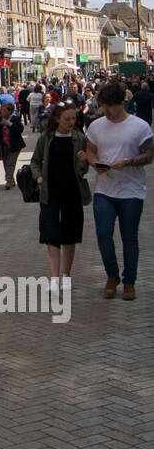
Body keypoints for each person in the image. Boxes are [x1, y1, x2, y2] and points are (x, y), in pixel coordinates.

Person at [83, 81, 154, 300]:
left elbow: (149, 156)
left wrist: (130, 161)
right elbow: (90, 151)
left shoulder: (140, 126)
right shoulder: (96, 126)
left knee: (129, 237)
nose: (106, 111)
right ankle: (112, 276)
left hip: (132, 190)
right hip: (104, 189)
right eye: (103, 106)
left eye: (110, 106)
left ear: (122, 103)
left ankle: (129, 281)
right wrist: (95, 164)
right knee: (103, 233)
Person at [30, 100, 91, 286]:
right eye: (67, 119)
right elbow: (35, 161)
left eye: (73, 118)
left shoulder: (79, 138)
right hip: (50, 193)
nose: (71, 122)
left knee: (70, 235)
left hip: (72, 192)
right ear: (57, 118)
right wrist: (39, 178)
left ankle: (66, 275)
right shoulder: (46, 138)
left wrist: (83, 162)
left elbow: (83, 171)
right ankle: (54, 279)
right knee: (51, 235)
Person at [0, 101, 25, 188]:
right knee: (5, 163)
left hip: (15, 145)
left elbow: (20, 130)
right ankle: (11, 180)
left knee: (11, 163)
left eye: (4, 111)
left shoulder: (15, 119)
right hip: (4, 145)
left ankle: (8, 181)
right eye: (2, 110)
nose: (2, 112)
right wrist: (0, 126)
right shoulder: (0, 119)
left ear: (10, 111)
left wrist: (10, 124)